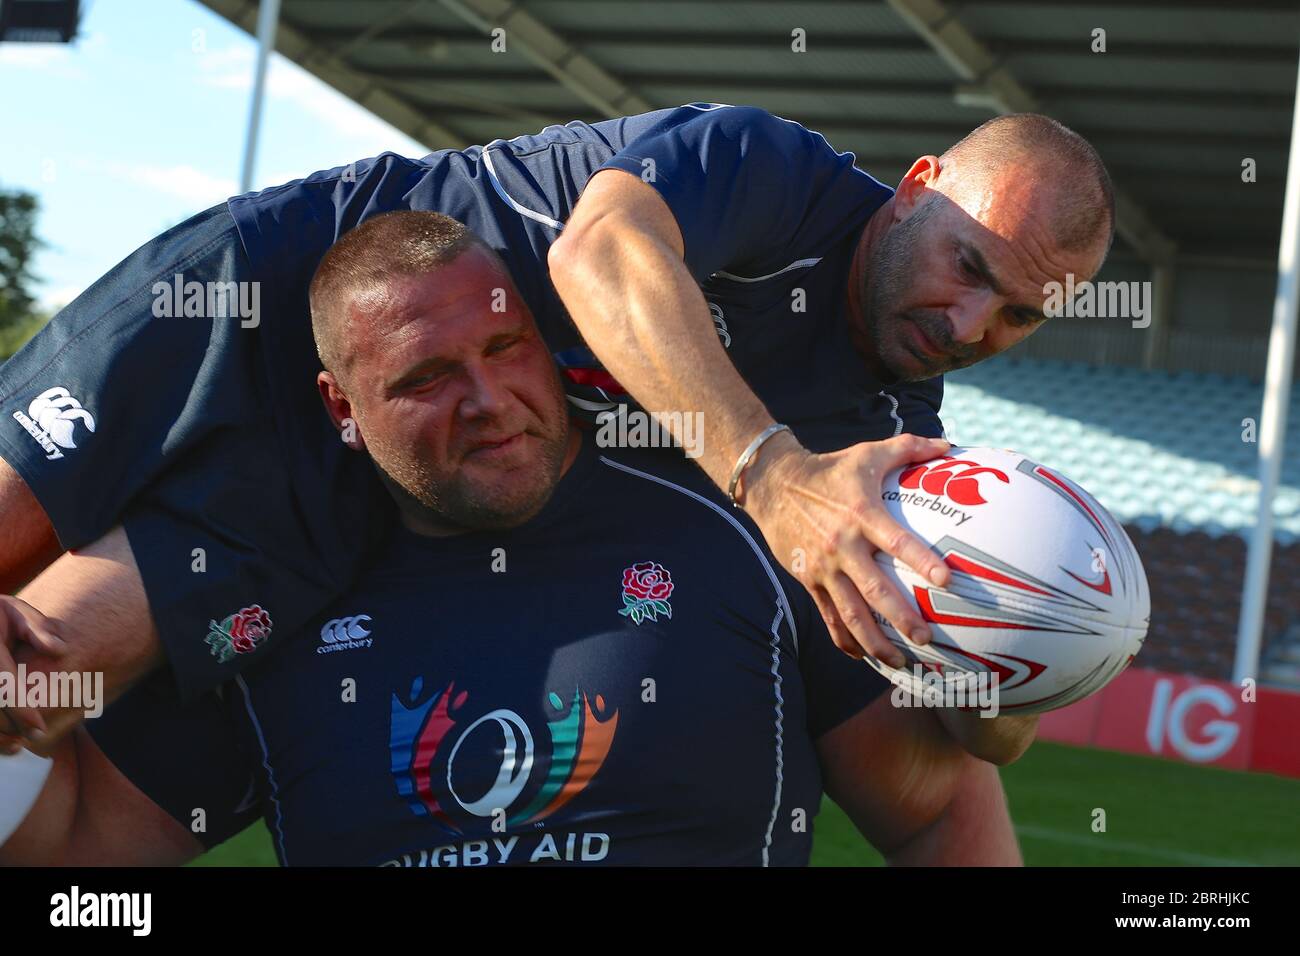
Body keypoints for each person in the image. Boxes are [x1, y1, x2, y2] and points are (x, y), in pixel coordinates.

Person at [0, 104, 1112, 749]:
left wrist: (1035, 659)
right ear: (917, 189)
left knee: (33, 676)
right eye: (968, 267)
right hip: (271, 290)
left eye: (1019, 314)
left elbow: (963, 707)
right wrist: (769, 471)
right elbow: (600, 253)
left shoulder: (890, 434)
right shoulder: (770, 170)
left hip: (363, 462)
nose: (971, 322)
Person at [0, 212, 1030, 866]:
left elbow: (939, 814)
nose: (488, 400)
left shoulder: (753, 536)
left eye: (506, 348)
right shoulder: (267, 609)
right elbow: (77, 856)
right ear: (340, 405)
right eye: (425, 377)